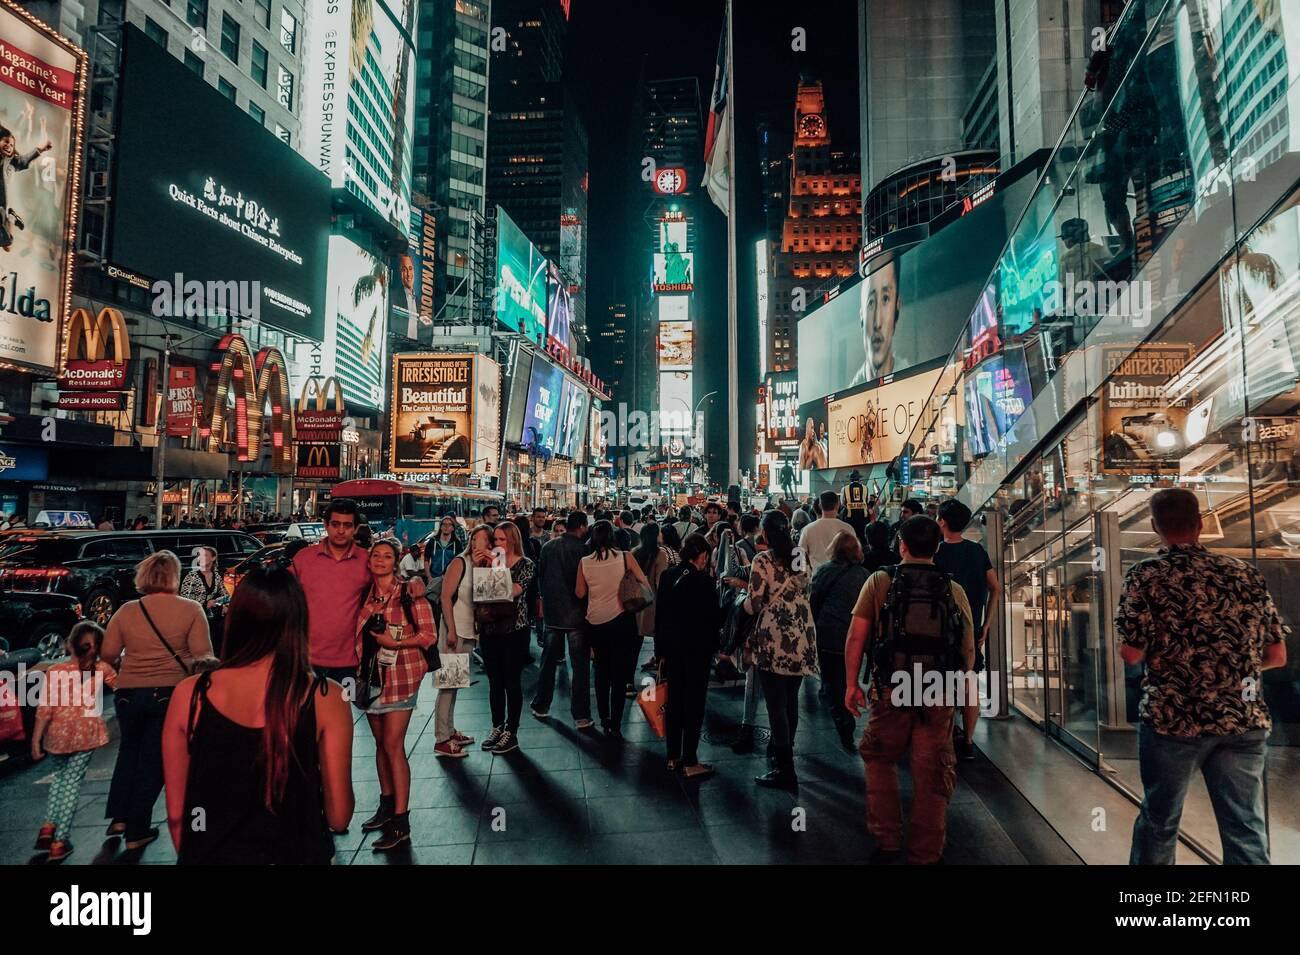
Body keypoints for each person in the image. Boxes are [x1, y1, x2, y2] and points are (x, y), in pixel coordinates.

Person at [1118, 488, 1288, 865]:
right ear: (1200, 525)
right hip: (1242, 719)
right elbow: (1277, 655)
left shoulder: (1146, 575)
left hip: (1172, 720)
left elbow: (1132, 654)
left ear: (1154, 527)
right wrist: (1230, 666)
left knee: (1160, 821)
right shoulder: (1245, 574)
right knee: (1244, 825)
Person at [161, 565, 354, 864]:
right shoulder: (326, 696)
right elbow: (339, 816)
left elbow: (176, 814)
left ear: (236, 620)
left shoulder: (190, 694)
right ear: (298, 621)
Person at [845, 516, 975, 865]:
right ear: (937, 547)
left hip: (892, 685)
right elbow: (967, 650)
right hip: (939, 689)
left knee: (880, 757)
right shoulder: (953, 589)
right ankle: (925, 852)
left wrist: (850, 685)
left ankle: (887, 838)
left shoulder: (881, 581)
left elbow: (856, 636)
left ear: (901, 544)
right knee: (932, 771)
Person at [102, 551, 214, 851]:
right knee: (155, 759)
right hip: (169, 693)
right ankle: (138, 829)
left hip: (127, 693)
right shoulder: (190, 609)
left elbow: (108, 654)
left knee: (128, 752)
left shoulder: (127, 610)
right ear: (175, 577)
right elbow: (202, 657)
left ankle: (119, 817)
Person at [353, 539, 437, 850]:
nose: (380, 560)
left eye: (387, 556)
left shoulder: (409, 592)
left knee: (392, 744)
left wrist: (395, 643)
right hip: (369, 677)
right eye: (376, 555)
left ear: (396, 561)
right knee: (380, 745)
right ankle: (386, 806)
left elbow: (429, 635)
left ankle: (401, 821)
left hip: (401, 677)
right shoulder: (363, 594)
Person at [292, 499, 407, 687]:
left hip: (348, 663)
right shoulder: (303, 559)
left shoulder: (366, 560)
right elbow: (280, 595)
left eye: (347, 525)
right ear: (326, 525)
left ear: (355, 528)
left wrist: (414, 582)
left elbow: (391, 586)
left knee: (343, 715)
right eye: (335, 524)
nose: (341, 530)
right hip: (304, 661)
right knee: (304, 714)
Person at [743, 510, 819, 790]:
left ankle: (786, 769)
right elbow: (805, 585)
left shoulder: (761, 559)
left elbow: (755, 600)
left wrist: (741, 606)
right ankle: (781, 750)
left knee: (775, 704)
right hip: (801, 632)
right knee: (790, 699)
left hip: (774, 636)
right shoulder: (799, 555)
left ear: (765, 533)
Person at [31, 622, 116, 862]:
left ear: (69, 644)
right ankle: (60, 840)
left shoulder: (56, 671)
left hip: (57, 735)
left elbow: (45, 708)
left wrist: (36, 740)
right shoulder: (101, 669)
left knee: (58, 779)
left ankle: (48, 826)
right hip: (86, 734)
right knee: (72, 785)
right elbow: (121, 685)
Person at [934, 500, 1002, 760]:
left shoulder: (937, 553)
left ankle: (947, 734)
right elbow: (995, 588)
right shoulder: (977, 551)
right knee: (969, 682)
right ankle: (970, 741)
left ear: (942, 521)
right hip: (971, 628)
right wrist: (985, 623)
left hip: (941, 629)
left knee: (941, 684)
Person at [656, 533, 725, 778]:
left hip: (672, 649)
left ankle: (673, 757)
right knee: (693, 704)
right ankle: (690, 760)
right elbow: (715, 620)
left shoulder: (668, 576)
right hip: (697, 651)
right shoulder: (704, 582)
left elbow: (660, 615)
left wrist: (659, 651)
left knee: (674, 702)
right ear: (703, 555)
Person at [576, 520, 651, 738]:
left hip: (595, 621)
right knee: (619, 674)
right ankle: (616, 722)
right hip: (621, 621)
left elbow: (580, 593)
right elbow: (644, 582)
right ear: (612, 536)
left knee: (601, 670)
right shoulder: (625, 557)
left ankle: (604, 717)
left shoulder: (584, 562)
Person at [531, 510, 594, 728]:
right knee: (580, 667)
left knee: (548, 663)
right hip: (577, 615)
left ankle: (541, 705)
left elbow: (541, 576)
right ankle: (581, 715)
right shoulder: (584, 550)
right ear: (583, 526)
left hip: (553, 614)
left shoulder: (548, 547)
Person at [809, 532, 870, 753]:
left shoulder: (824, 572)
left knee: (832, 683)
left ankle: (844, 723)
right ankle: (848, 711)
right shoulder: (863, 575)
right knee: (847, 677)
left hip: (828, 636)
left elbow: (813, 602)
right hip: (854, 636)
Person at [478, 521, 536, 755]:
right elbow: (482, 591)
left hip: (515, 630)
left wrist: (496, 565)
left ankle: (511, 731)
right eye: (495, 540)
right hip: (490, 628)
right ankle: (496, 726)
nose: (498, 544)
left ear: (513, 540)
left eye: (502, 540)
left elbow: (512, 591)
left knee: (512, 681)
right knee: (494, 681)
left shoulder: (526, 564)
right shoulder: (487, 563)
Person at [436, 525, 494, 757]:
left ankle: (450, 730)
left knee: (456, 683)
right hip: (455, 630)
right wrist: (450, 629)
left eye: (485, 542)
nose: (480, 545)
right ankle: (442, 737)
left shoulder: (482, 564)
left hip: (469, 631)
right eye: (476, 540)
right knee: (448, 684)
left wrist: (489, 565)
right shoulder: (460, 563)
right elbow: (445, 597)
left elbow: (488, 595)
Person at [852, 257, 900, 386]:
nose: (877, 322)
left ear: (897, 307)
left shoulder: (915, 384)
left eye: (885, 298)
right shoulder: (850, 391)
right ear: (861, 316)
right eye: (871, 302)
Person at [180, 545, 226, 655]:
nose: (201, 558)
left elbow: (224, 594)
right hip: (197, 616)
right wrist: (205, 604)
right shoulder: (192, 576)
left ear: (213, 558)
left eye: (205, 555)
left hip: (213, 616)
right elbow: (185, 600)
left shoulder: (216, 576)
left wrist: (224, 604)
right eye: (199, 555)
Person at [797, 490, 856, 574]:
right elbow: (854, 556)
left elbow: (799, 556)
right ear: (838, 505)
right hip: (842, 578)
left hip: (817, 578)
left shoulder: (808, 529)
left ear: (820, 506)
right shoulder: (848, 528)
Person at [843, 470, 870, 544]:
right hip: (863, 518)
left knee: (851, 537)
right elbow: (867, 501)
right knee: (863, 537)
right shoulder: (865, 488)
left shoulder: (845, 489)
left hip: (850, 518)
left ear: (850, 479)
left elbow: (843, 502)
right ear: (859, 479)